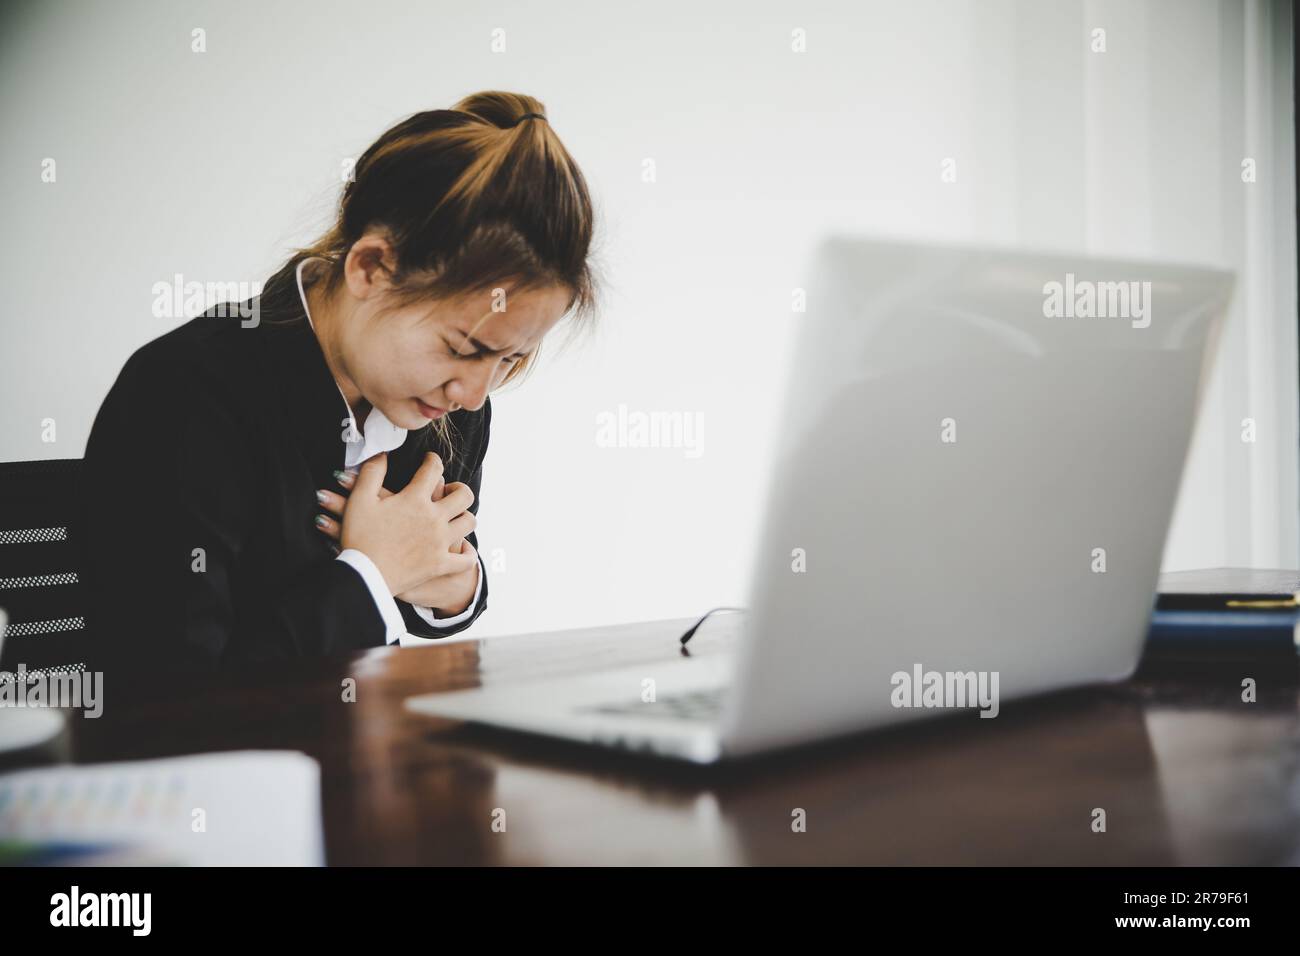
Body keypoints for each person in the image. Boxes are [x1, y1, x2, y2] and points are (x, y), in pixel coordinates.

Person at [77, 91, 598, 679]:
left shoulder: (448, 401)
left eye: (510, 359)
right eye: (462, 348)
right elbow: (170, 696)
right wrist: (372, 574)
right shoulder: (182, 393)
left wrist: (457, 585)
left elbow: (429, 587)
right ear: (371, 268)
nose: (475, 394)